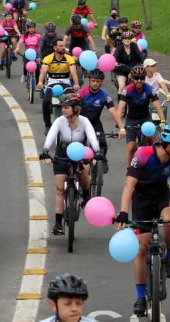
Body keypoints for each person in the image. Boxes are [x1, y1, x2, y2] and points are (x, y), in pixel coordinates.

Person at [113, 126, 170, 316]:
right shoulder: (142, 155)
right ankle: (140, 297)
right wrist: (123, 213)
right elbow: (128, 186)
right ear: (169, 147)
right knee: (142, 247)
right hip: (141, 199)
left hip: (161, 195)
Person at [39, 94, 102, 236]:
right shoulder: (60, 121)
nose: (63, 110)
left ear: (75, 109)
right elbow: (51, 136)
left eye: (66, 107)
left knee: (84, 173)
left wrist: (97, 151)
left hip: (80, 152)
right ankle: (58, 223)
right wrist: (45, 151)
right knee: (60, 189)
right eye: (62, 107)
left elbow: (92, 137)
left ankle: (86, 195)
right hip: (63, 152)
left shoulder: (84, 121)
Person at [77, 69, 126, 172]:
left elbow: (113, 112)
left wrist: (121, 128)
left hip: (95, 122)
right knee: (79, 146)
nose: (95, 83)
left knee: (102, 142)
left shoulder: (104, 96)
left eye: (98, 81)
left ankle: (103, 160)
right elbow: (73, 109)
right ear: (89, 80)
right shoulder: (81, 93)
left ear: (101, 82)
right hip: (80, 123)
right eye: (93, 81)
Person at [119, 65, 167, 166]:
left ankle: (149, 159)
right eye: (136, 78)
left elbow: (158, 107)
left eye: (142, 78)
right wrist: (121, 127)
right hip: (131, 119)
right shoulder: (127, 90)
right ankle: (129, 171)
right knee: (131, 146)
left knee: (150, 138)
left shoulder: (149, 89)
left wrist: (163, 121)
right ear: (133, 78)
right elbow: (120, 109)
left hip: (145, 118)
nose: (139, 80)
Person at [37, 39, 81, 135]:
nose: (63, 48)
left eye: (64, 45)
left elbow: (73, 72)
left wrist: (76, 84)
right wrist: (40, 82)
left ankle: (72, 123)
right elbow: (43, 72)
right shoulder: (48, 58)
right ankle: (48, 125)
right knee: (45, 102)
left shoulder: (69, 58)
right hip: (52, 83)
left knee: (72, 103)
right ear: (55, 47)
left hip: (65, 83)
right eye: (60, 46)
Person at [113, 31, 144, 95]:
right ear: (122, 40)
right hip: (121, 70)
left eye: (129, 38)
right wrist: (115, 63)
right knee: (122, 87)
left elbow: (140, 55)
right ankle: (120, 103)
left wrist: (145, 62)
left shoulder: (134, 46)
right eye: (125, 39)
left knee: (138, 84)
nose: (127, 40)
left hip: (133, 69)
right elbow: (114, 57)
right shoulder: (119, 48)